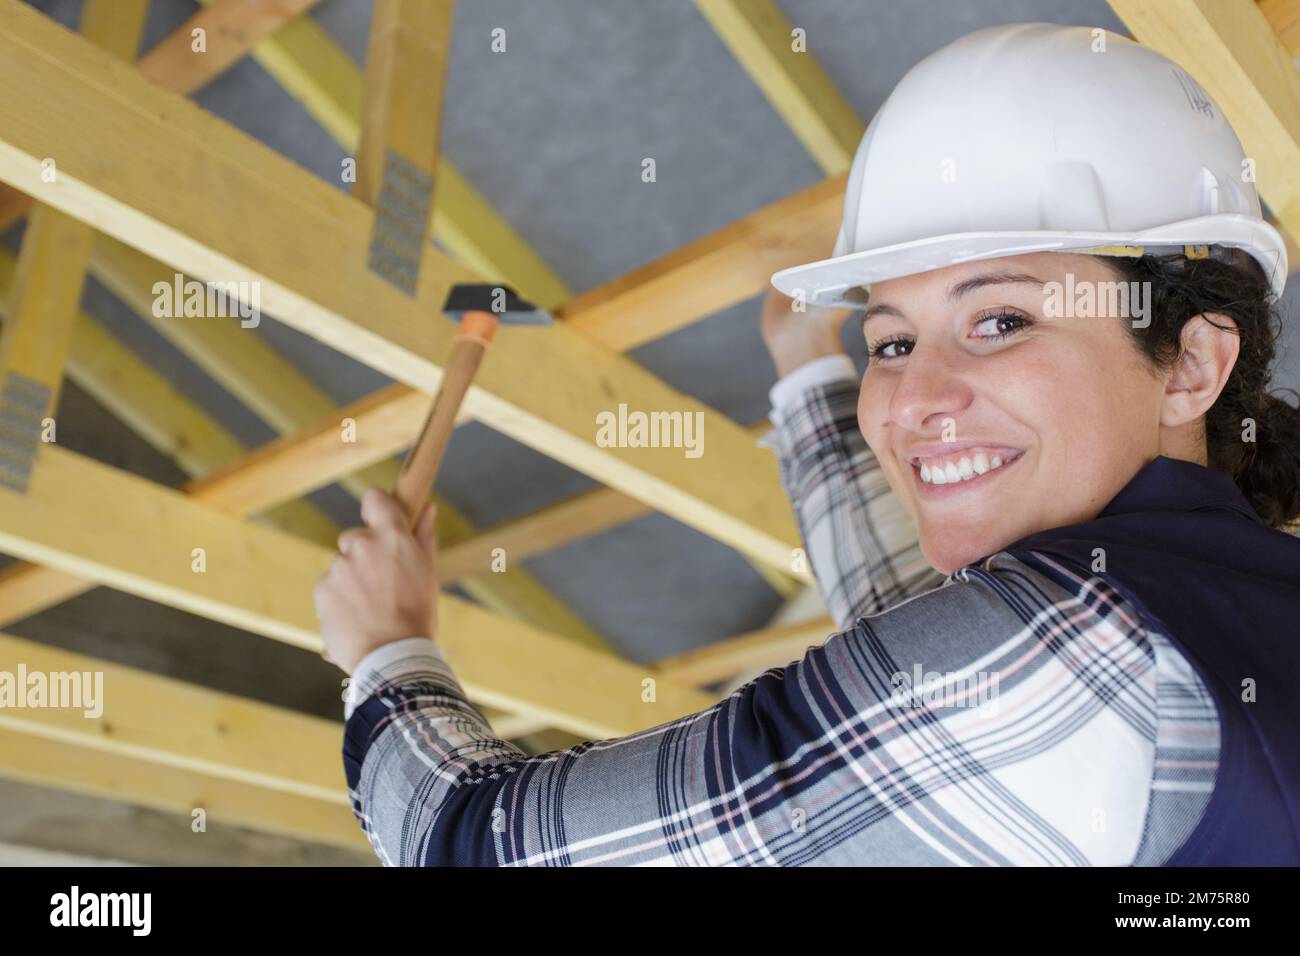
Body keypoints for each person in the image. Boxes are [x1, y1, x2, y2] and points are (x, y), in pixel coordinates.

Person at [313, 23, 1300, 865]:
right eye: (890, 342)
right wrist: (806, 372)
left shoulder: (1068, 654)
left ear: (1188, 364)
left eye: (1001, 320)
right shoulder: (1212, 617)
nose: (913, 400)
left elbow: (470, 843)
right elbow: (912, 641)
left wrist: (387, 649)